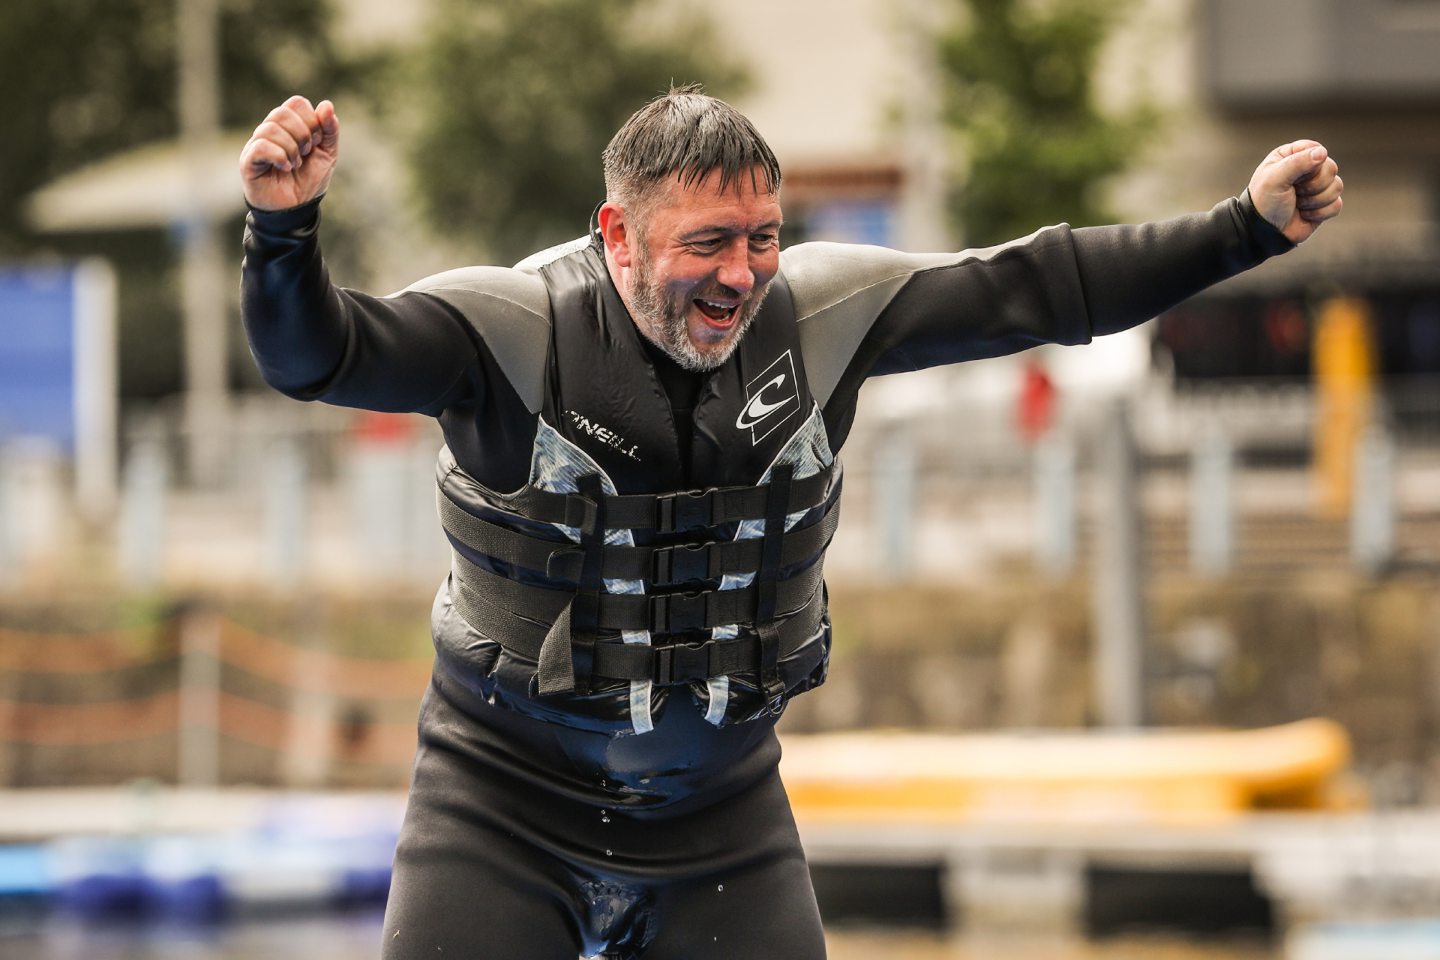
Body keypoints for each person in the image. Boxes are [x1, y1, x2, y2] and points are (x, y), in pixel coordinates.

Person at [238, 85, 1342, 959]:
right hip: (502, 805)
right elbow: (319, 356)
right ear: (618, 235)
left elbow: (1037, 288)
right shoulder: (510, 335)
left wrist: (1242, 230)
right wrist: (283, 231)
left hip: (719, 816)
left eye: (763, 238)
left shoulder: (820, 320)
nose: (742, 274)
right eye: (708, 243)